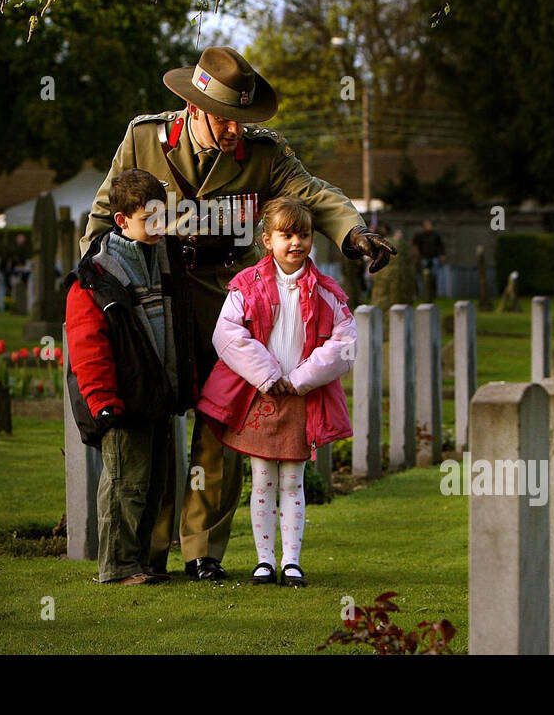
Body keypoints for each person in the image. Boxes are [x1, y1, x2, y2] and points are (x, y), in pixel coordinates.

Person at [81, 45, 395, 581]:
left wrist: (353, 232)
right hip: (156, 294)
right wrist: (92, 291)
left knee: (222, 421)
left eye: (243, 121)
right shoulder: (144, 139)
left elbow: (313, 195)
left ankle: (202, 550)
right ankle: (150, 551)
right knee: (152, 415)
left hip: (229, 299)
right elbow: (105, 215)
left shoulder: (264, 154)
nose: (235, 133)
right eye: (226, 120)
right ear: (194, 108)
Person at [195, 197, 356, 586]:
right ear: (267, 239)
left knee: (293, 482)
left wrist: (301, 379)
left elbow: (345, 343)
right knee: (264, 479)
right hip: (260, 397)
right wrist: (267, 374)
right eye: (286, 235)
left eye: (303, 234)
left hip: (301, 397)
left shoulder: (327, 291)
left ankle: (292, 561)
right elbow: (228, 335)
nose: (296, 243)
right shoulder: (246, 285)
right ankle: (264, 560)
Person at [64, 169, 195, 584]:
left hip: (158, 397)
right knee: (125, 487)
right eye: (148, 219)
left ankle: (145, 564)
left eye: (163, 216)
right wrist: (103, 403)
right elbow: (88, 350)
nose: (159, 226)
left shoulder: (164, 258)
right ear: (121, 221)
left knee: (154, 488)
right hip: (122, 403)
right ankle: (118, 567)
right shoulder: (95, 277)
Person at [413, 219, 446, 292]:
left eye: (430, 225)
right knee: (423, 276)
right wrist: (416, 256)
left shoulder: (435, 235)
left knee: (434, 276)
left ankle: (433, 292)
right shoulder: (419, 235)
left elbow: (440, 246)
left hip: (434, 257)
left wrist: (442, 255)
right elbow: (415, 246)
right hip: (423, 258)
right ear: (424, 227)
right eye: (428, 225)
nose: (430, 227)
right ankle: (424, 292)